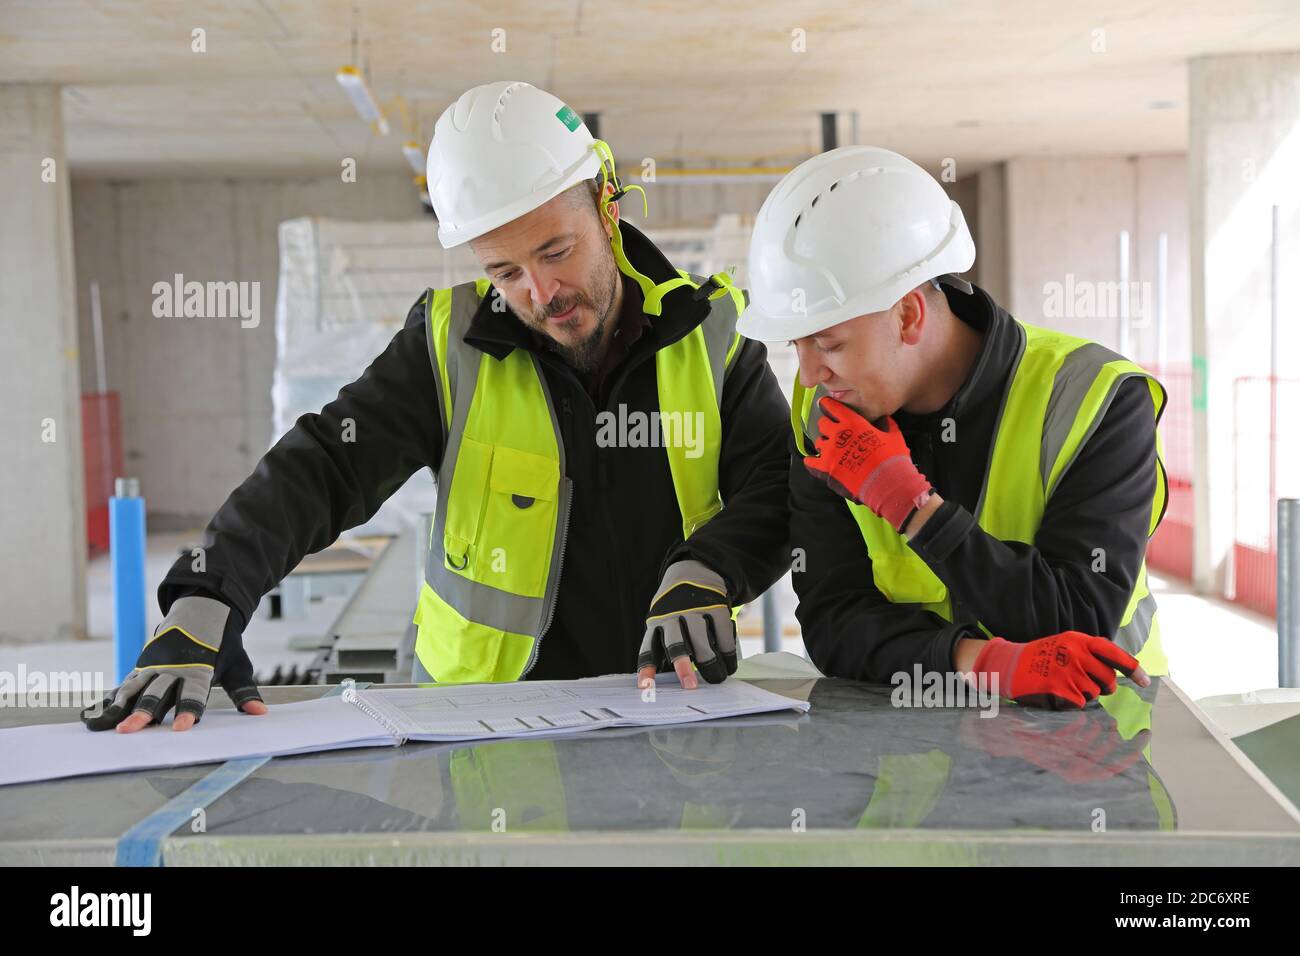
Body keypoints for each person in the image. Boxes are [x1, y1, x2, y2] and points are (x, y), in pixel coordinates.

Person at [84, 81, 791, 734]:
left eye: (556, 251)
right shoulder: (449, 349)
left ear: (606, 204)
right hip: (481, 737)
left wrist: (708, 567)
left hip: (667, 716)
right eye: (505, 272)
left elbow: (777, 487)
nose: (541, 294)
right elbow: (326, 465)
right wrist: (209, 594)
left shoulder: (711, 338)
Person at [738, 146, 1166, 710]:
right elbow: (832, 618)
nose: (812, 375)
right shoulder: (823, 412)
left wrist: (910, 505)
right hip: (921, 762)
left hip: (1099, 741)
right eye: (797, 345)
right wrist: (978, 661)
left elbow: (1077, 621)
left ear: (909, 314)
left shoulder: (1094, 399)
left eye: (829, 342)